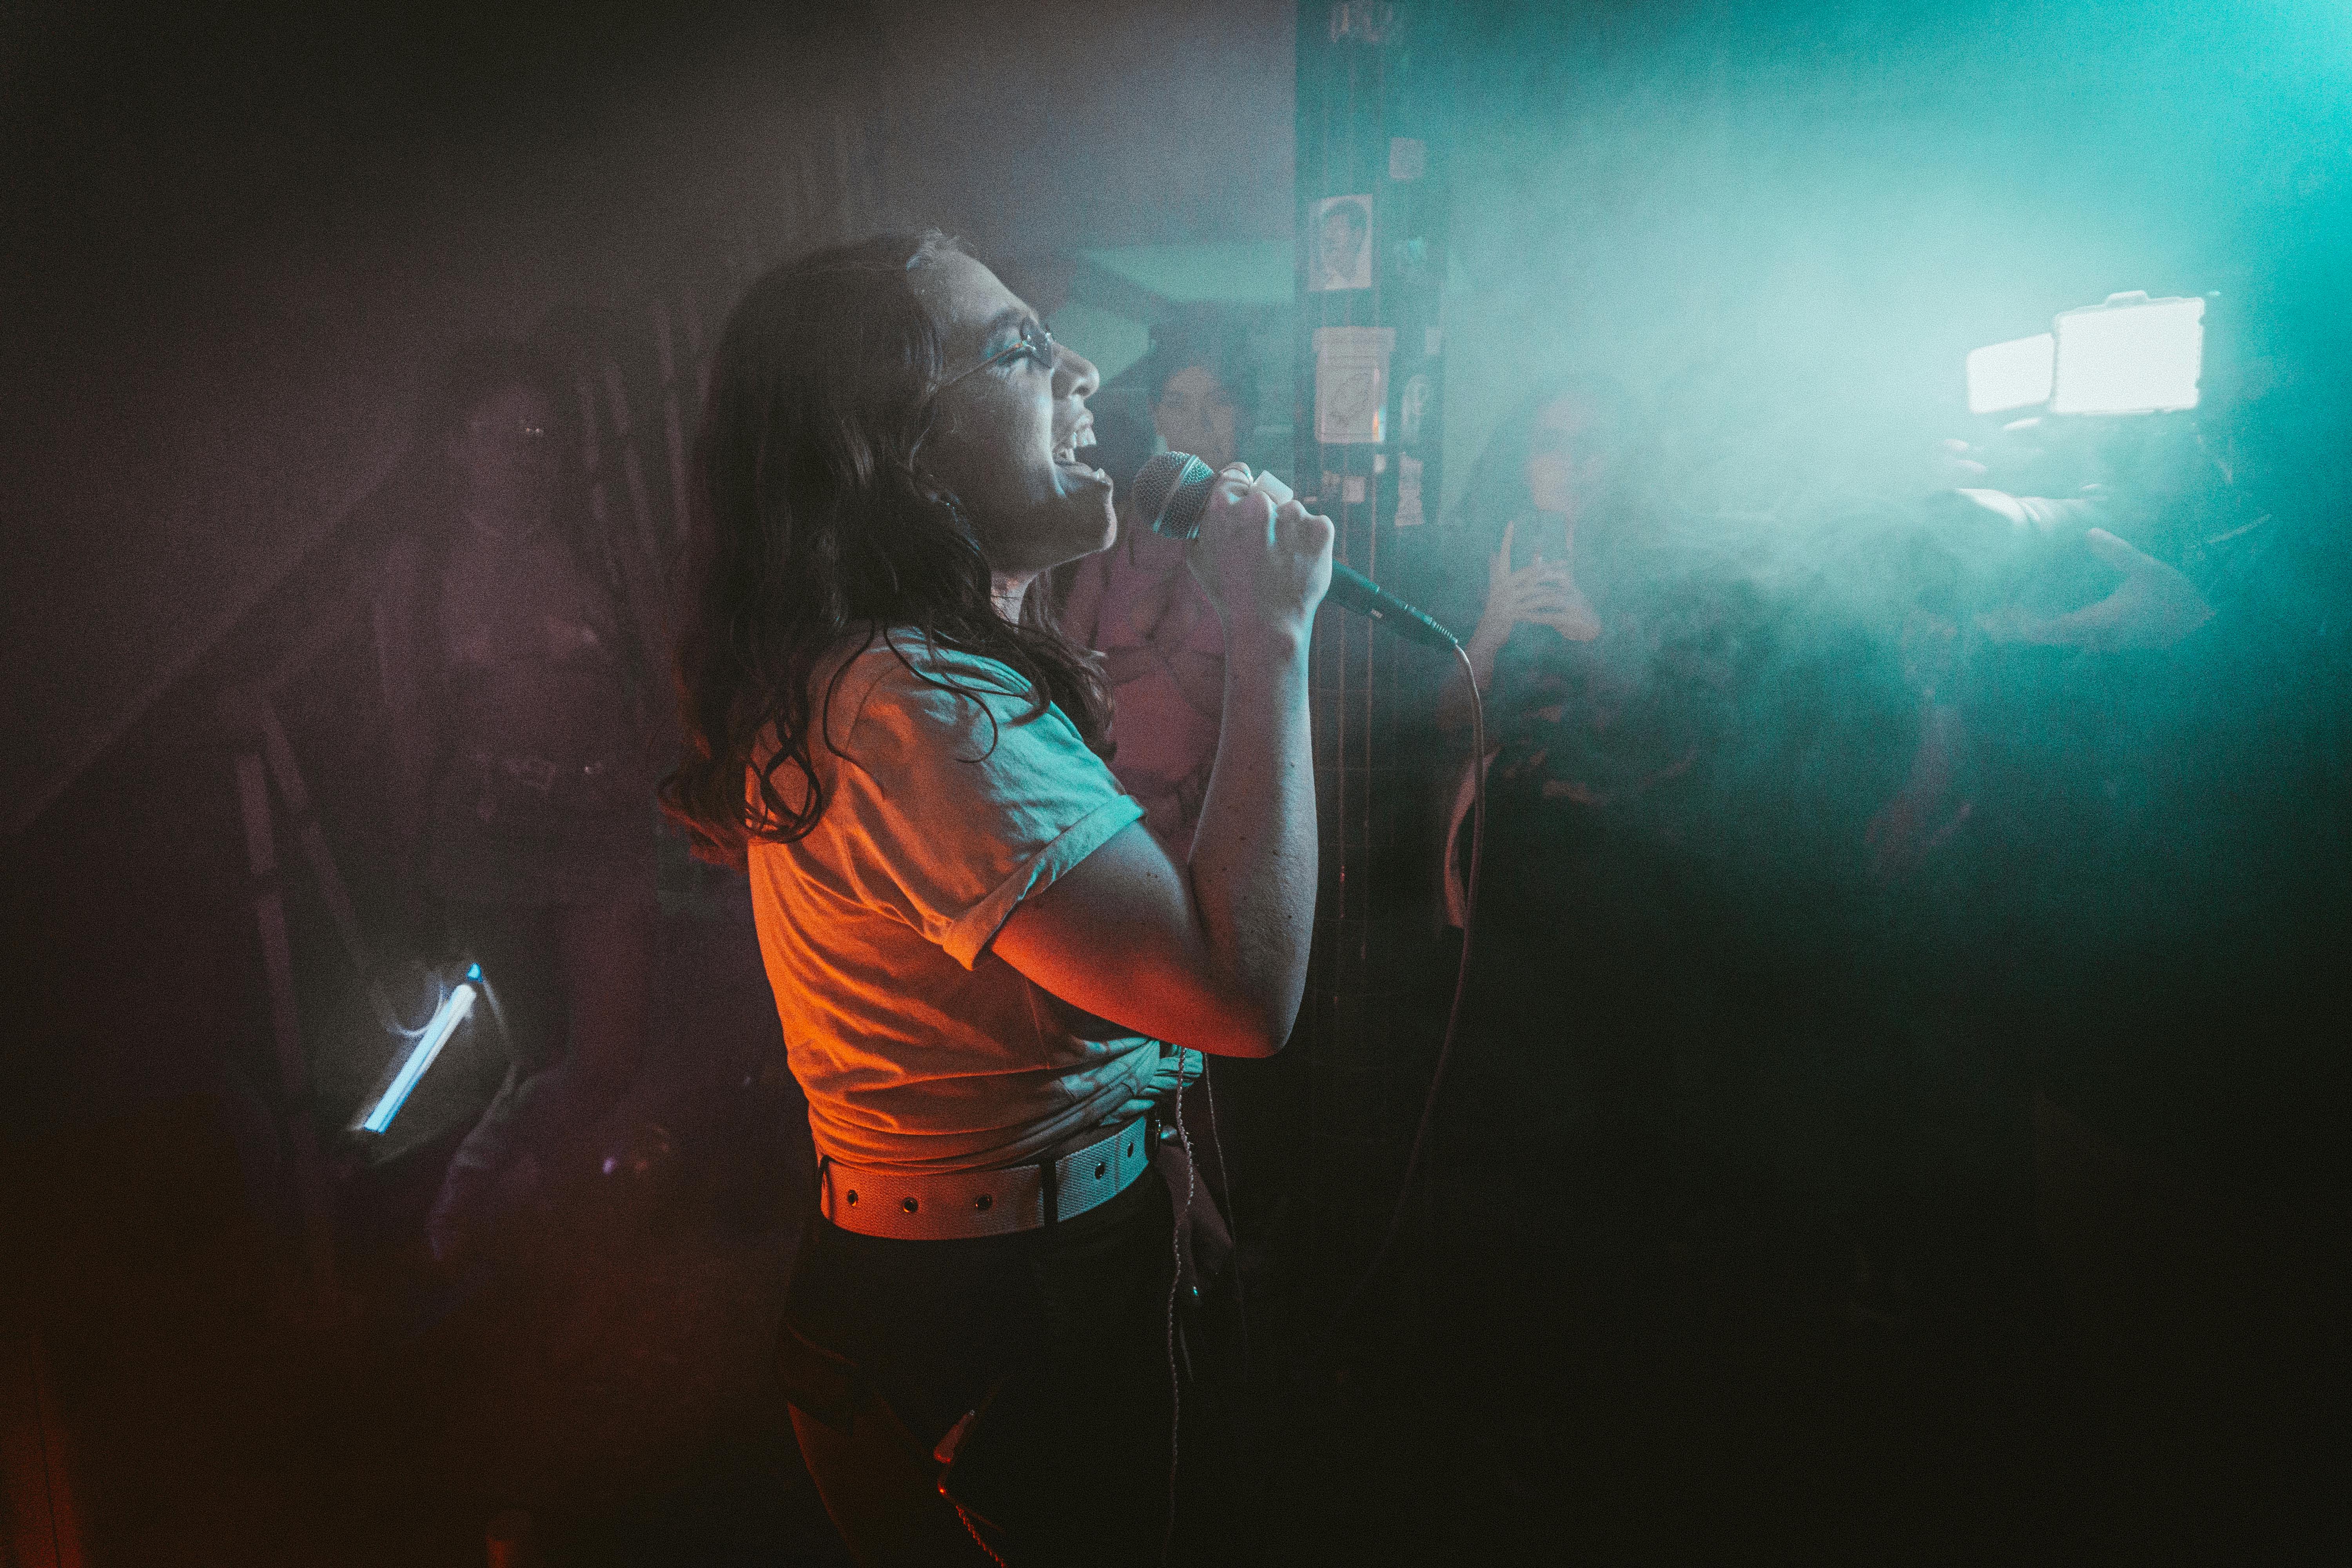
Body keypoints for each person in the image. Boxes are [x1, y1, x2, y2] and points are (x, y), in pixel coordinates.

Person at [661, 231, 1331, 1564]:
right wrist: (1274, 637)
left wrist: (1143, 1170)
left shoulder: (924, 670)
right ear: (890, 449)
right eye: (1022, 347)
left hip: (1017, 1266)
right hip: (988, 1311)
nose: (1088, 368)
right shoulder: (916, 707)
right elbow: (1240, 995)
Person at [372, 341, 668, 1265]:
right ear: (457, 444)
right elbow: (411, 721)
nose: (527, 451)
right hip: (488, 841)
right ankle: (541, 1223)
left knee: (608, 1055)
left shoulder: (601, 548)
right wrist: (411, 866)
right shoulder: (419, 569)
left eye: (543, 433)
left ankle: (474, 1184)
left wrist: (687, 790)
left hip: (606, 828)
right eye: (504, 434)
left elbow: (662, 679)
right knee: (543, 1052)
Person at [1060, 314, 1260, 852]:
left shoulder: (1265, 534)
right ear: (1155, 414)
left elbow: (1272, 713)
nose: (1197, 421)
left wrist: (1182, 806)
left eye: (1216, 401)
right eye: (1177, 403)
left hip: (1218, 824)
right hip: (1109, 819)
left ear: (1243, 411)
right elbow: (1063, 674)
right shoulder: (1118, 526)